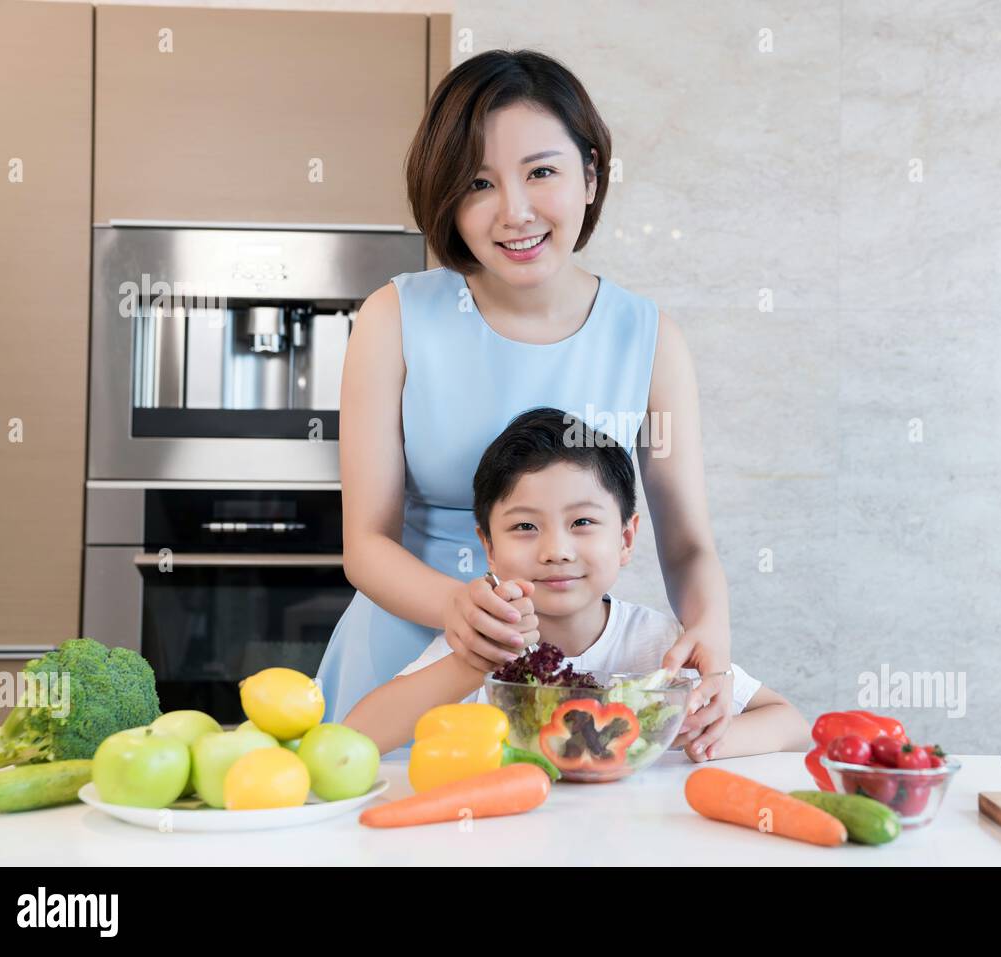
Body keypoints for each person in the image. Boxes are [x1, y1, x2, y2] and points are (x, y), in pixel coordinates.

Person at [315, 49, 741, 760]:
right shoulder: (393, 318)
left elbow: (688, 542)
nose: (514, 212)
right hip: (398, 664)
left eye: (541, 171)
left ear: (591, 175)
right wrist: (457, 609)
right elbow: (366, 544)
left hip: (554, 674)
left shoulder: (651, 340)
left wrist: (713, 632)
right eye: (478, 183)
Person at [344, 409, 810, 758]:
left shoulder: (659, 647)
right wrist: (473, 663)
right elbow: (358, 736)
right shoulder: (480, 640)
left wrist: (700, 739)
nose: (556, 550)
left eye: (583, 521)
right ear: (488, 546)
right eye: (525, 527)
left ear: (626, 538)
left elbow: (791, 724)